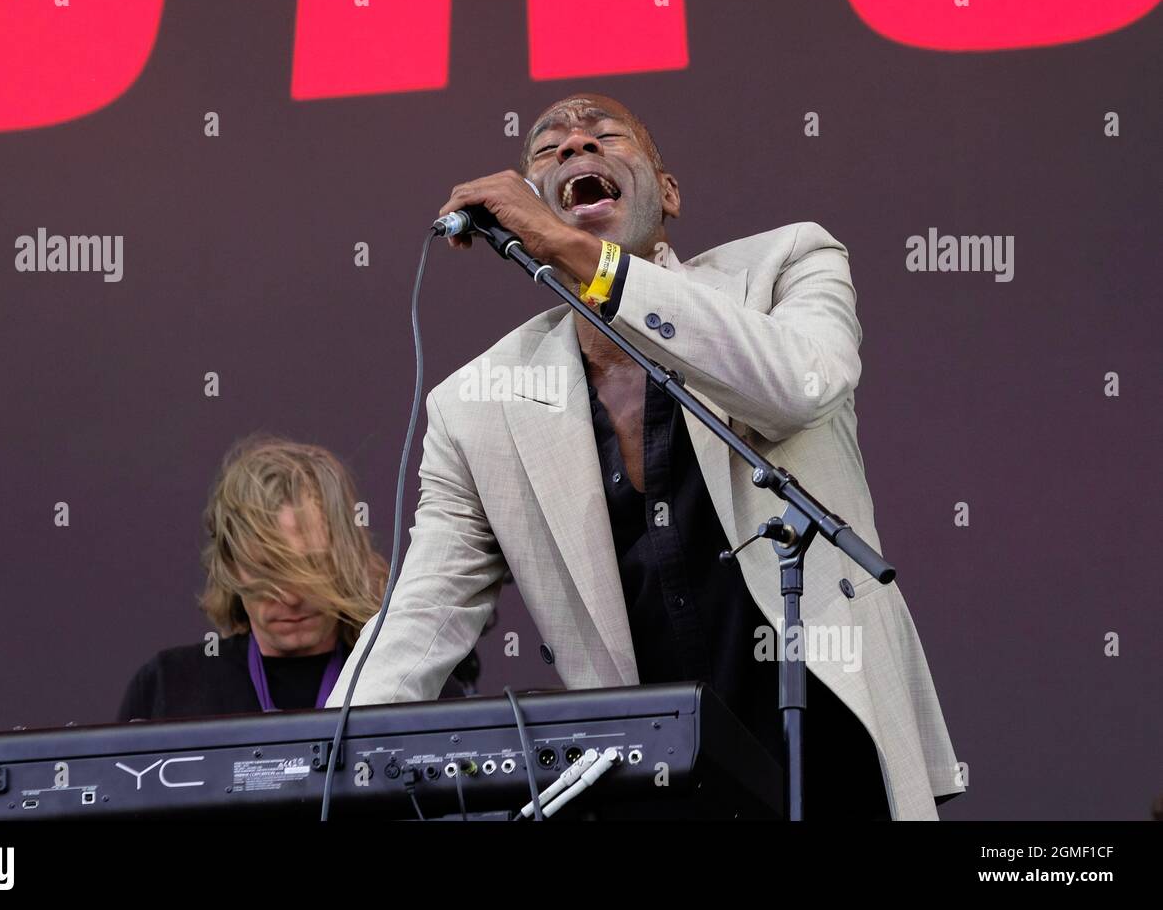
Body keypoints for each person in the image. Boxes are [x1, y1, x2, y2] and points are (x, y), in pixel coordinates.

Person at [325, 93, 963, 820]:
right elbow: (426, 610)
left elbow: (797, 388)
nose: (575, 147)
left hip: (830, 739)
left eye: (605, 135)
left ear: (667, 193)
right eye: (549, 148)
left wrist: (572, 250)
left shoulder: (786, 264)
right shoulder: (479, 405)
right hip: (653, 785)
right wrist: (323, 764)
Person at [117, 435, 467, 721]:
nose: (290, 597)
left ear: (346, 556)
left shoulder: (418, 685)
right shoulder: (168, 687)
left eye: (310, 567)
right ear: (229, 565)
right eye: (267, 572)